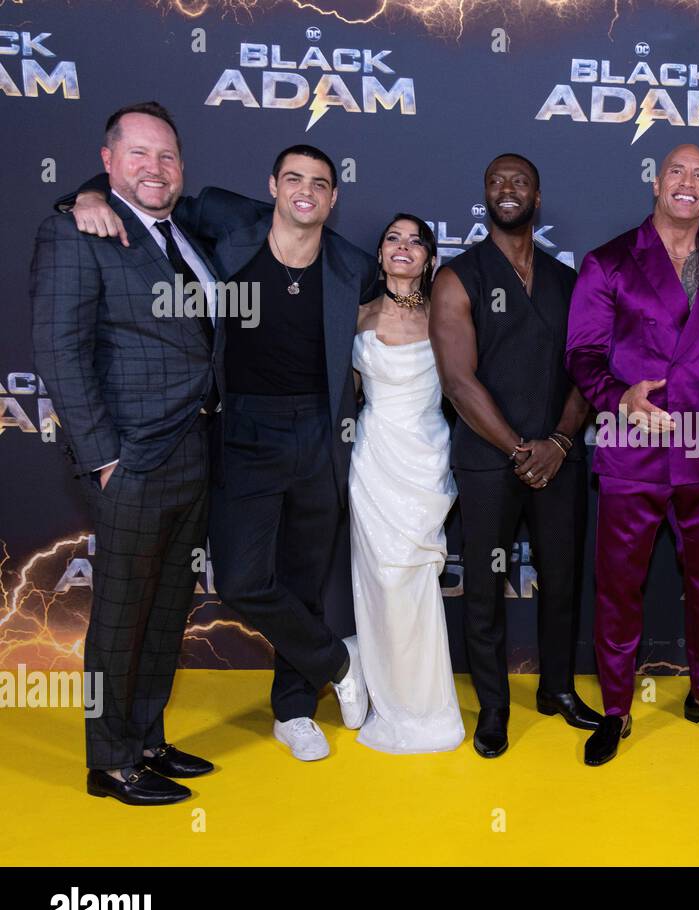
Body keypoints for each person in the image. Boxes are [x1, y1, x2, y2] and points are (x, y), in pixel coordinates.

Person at [65, 146, 377, 762]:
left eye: (320, 183)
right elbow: (143, 191)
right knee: (239, 578)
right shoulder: (225, 218)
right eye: (294, 179)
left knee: (304, 581)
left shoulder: (353, 264)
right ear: (273, 185)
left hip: (320, 432)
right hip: (243, 428)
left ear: (334, 197)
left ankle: (294, 710)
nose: (306, 191)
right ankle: (337, 660)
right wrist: (89, 193)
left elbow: (399, 310)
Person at [32, 102, 218, 804]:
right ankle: (109, 762)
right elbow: (60, 351)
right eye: (138, 153)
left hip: (193, 449)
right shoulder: (76, 231)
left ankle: (146, 738)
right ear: (107, 161)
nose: (155, 168)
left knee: (168, 609)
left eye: (167, 156)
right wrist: (104, 457)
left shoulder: (186, 231)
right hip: (132, 459)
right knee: (119, 614)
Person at [566, 143, 699, 765]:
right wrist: (618, 398)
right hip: (633, 447)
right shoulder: (609, 262)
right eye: (677, 171)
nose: (687, 182)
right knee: (620, 587)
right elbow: (582, 354)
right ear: (655, 182)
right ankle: (616, 709)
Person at [431, 154, 600, 758]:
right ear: (485, 195)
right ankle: (494, 708)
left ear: (537, 195)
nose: (508, 189)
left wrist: (559, 442)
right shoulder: (458, 276)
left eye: (519, 181)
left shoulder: (567, 280)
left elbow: (589, 370)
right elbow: (458, 381)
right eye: (497, 182)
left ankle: (557, 689)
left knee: (562, 580)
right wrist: (520, 450)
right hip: (488, 461)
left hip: (559, 458)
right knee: (483, 588)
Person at [349, 214, 464, 753]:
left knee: (414, 577)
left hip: (426, 460)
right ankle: (382, 689)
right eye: (392, 238)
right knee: (383, 579)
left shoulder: (446, 315)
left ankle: (424, 705)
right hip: (374, 459)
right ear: (379, 254)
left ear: (430, 259)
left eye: (416, 241)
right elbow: (347, 389)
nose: (403, 246)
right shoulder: (357, 314)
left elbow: (465, 383)